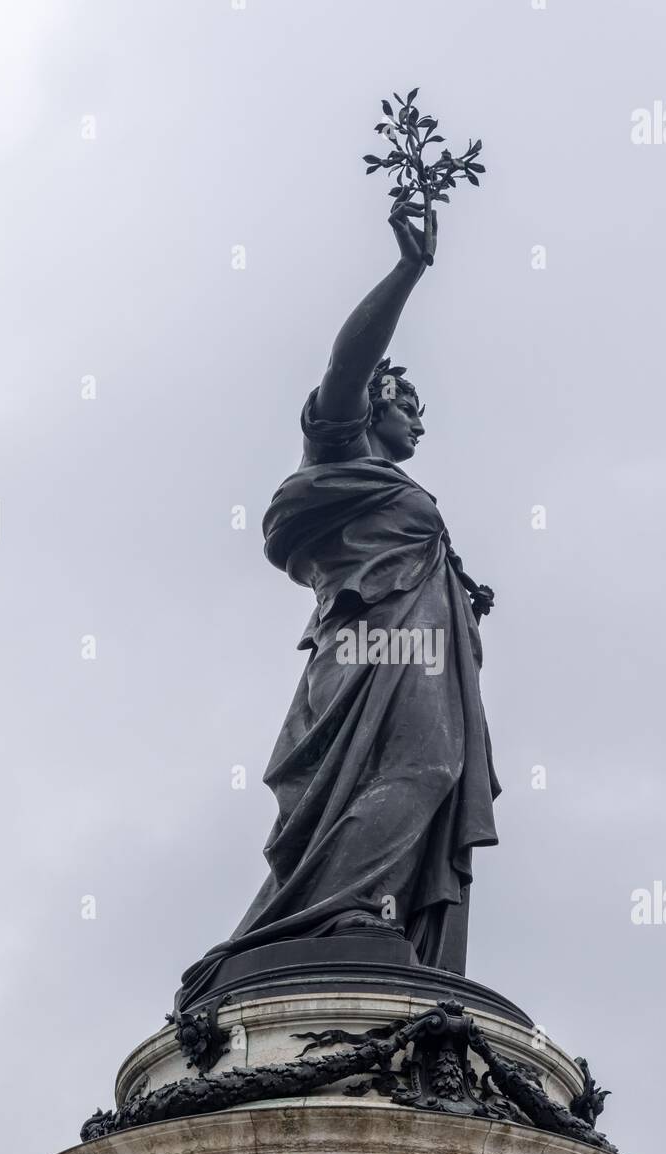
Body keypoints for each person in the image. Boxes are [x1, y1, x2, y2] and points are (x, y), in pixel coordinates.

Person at [176, 199, 499, 1012]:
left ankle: (364, 911)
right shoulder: (340, 451)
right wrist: (409, 269)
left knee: (428, 771)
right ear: (371, 408)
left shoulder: (398, 492)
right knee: (424, 769)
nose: (418, 418)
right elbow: (348, 364)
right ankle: (339, 912)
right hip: (370, 652)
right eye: (406, 403)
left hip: (413, 648)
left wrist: (458, 593)